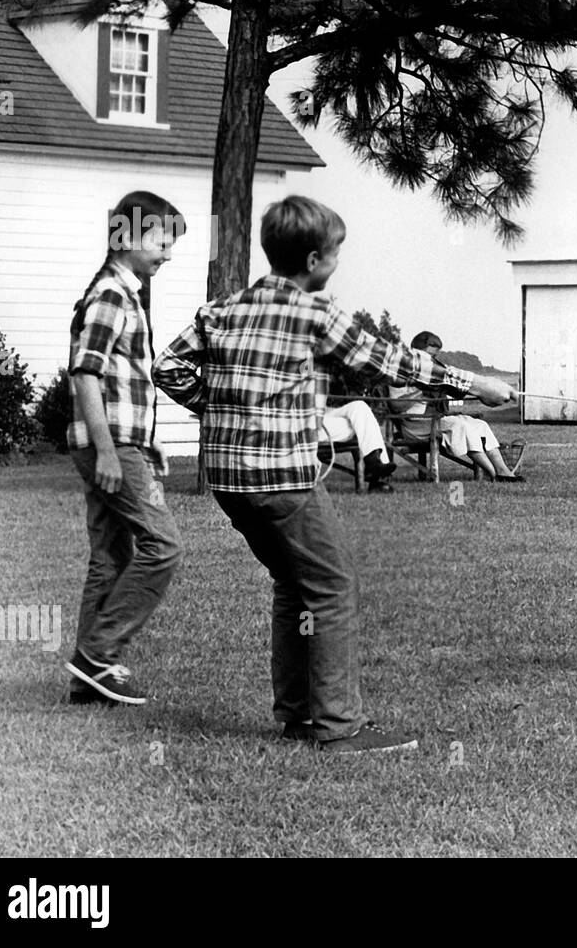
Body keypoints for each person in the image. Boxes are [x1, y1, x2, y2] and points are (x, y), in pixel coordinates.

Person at [153, 195, 515, 755]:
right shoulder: (316, 313)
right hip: (281, 480)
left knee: (294, 581)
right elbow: (391, 361)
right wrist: (477, 384)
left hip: (229, 483)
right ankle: (338, 726)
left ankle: (298, 716)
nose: (338, 264)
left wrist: (220, 409)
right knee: (333, 583)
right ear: (316, 259)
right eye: (338, 254)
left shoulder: (220, 310)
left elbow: (167, 368)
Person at [65, 191, 186, 707]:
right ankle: (98, 654)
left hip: (120, 442)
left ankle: (87, 681)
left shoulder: (122, 292)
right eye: (162, 241)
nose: (168, 253)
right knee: (164, 546)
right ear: (129, 238)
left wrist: (147, 442)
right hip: (109, 446)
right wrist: (110, 451)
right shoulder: (112, 294)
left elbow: (124, 382)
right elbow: (86, 372)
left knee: (111, 557)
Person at [389, 331, 525, 482]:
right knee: (460, 425)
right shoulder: (400, 373)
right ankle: (495, 474)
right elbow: (396, 406)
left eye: (434, 357)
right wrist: (422, 389)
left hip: (433, 421)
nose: (432, 361)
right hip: (414, 426)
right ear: (416, 352)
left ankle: (504, 471)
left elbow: (457, 388)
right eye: (429, 356)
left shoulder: (431, 374)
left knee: (480, 425)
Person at [320, 398, 395, 492]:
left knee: (360, 406)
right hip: (307, 423)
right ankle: (378, 476)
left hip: (324, 413)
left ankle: (374, 463)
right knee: (363, 422)